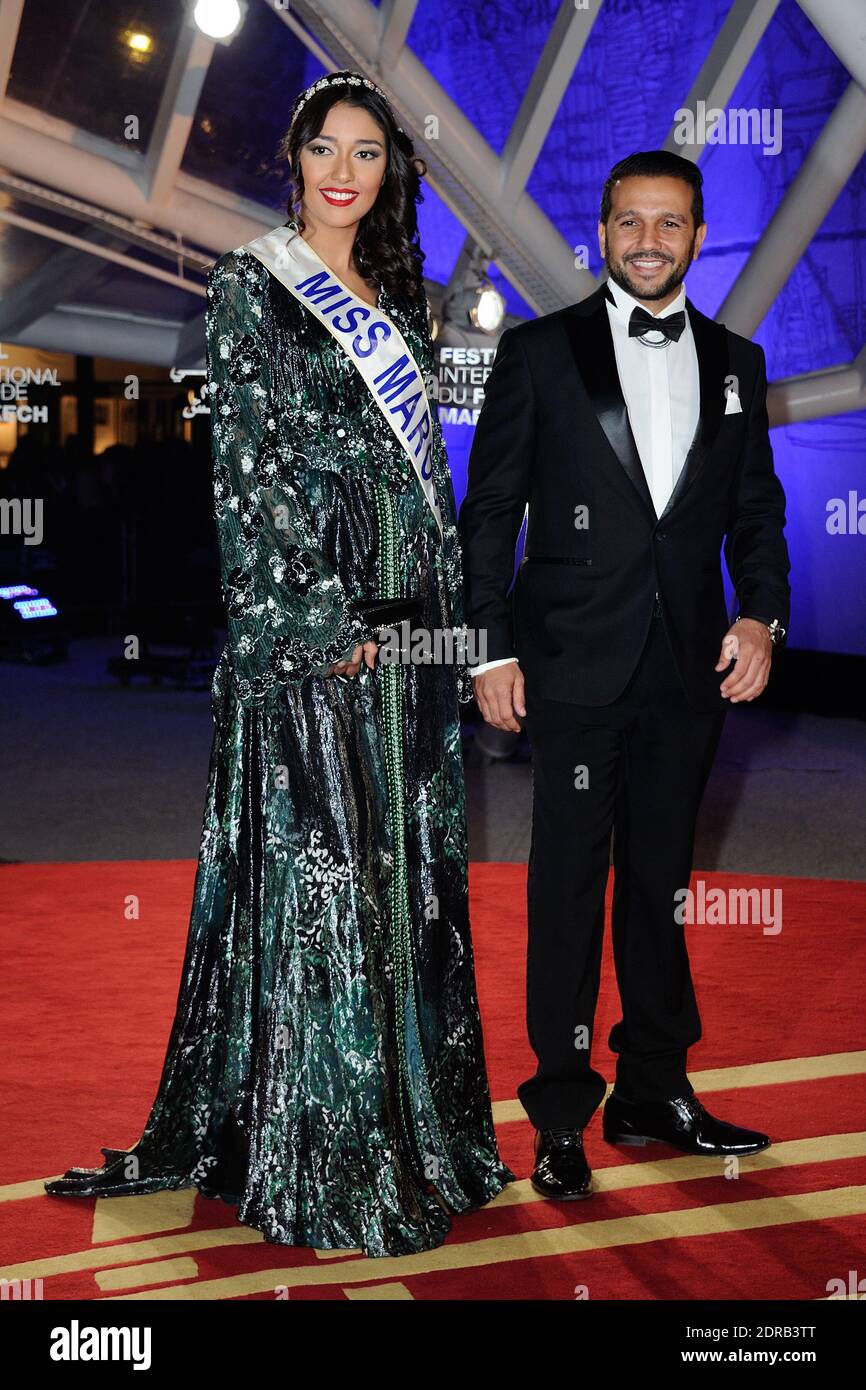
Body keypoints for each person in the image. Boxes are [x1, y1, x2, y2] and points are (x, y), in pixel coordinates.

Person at [45, 70, 514, 1257]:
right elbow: (245, 473)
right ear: (294, 160)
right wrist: (316, 619)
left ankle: (419, 1131)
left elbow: (422, 481)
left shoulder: (397, 297)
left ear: (387, 173)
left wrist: (445, 626)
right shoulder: (253, 282)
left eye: (367, 152)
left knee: (405, 878)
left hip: (406, 632)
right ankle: (326, 1149)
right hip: (316, 635)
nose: (345, 170)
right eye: (325, 148)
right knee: (329, 884)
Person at [459, 149, 791, 1200]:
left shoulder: (738, 362)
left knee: (659, 888)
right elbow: (490, 510)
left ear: (697, 236)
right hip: (565, 667)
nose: (648, 242)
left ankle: (653, 1084)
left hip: (685, 674)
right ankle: (561, 1108)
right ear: (601, 233)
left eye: (669, 224)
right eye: (628, 223)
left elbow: (755, 512)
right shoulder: (538, 352)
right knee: (566, 892)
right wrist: (488, 644)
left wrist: (759, 615)